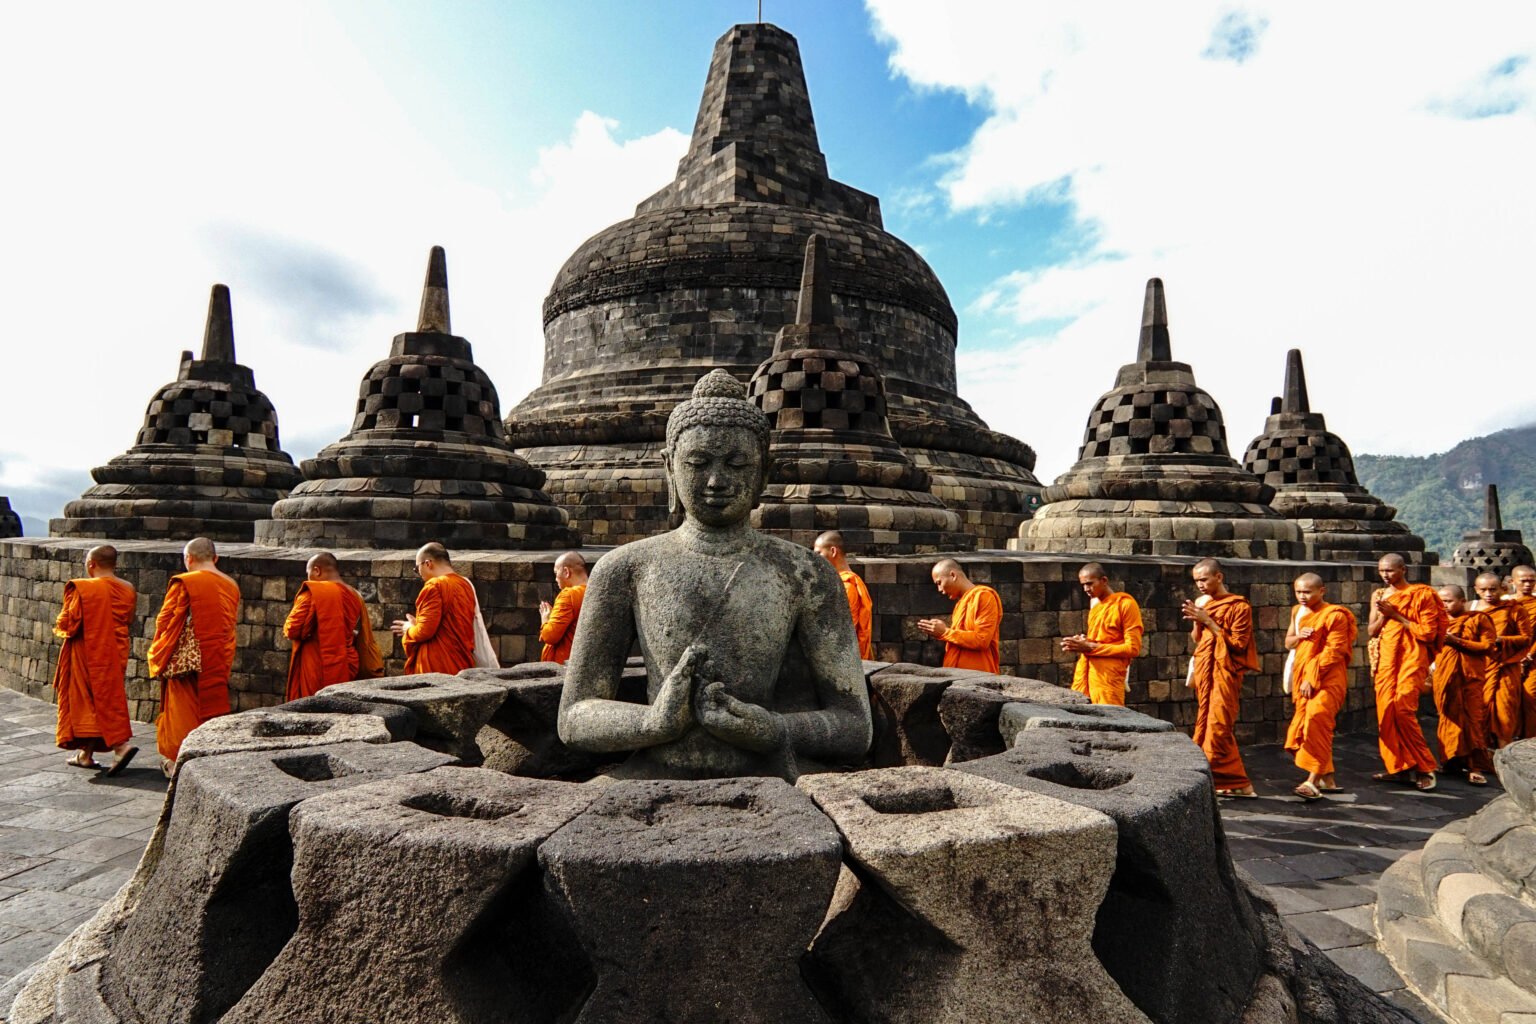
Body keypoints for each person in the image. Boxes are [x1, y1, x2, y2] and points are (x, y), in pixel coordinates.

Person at [557, 369, 871, 780]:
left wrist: (773, 729)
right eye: (698, 462)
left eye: (737, 464)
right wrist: (653, 724)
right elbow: (574, 717)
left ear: (763, 472)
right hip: (651, 778)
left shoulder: (805, 574)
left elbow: (855, 725)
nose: (717, 481)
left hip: (768, 784)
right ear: (669, 468)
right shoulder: (625, 570)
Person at [147, 537, 241, 775]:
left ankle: (179, 760)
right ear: (215, 558)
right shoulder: (231, 585)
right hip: (219, 654)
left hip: (187, 662)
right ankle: (207, 754)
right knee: (211, 705)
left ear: (188, 558)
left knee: (182, 710)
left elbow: (166, 620)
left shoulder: (185, 582)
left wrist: (159, 651)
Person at [51, 544, 138, 775]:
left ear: (91, 564)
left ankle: (120, 746)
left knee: (89, 701)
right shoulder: (128, 588)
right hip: (115, 650)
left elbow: (67, 623)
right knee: (105, 697)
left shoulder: (84, 588)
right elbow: (127, 618)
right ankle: (85, 755)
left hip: (88, 651)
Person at [1368, 552, 1448, 791]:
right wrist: (1384, 617)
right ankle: (1400, 767)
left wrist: (1397, 616)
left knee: (1403, 710)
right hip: (1386, 660)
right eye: (1382, 570)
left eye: (1390, 570)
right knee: (1386, 713)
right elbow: (1371, 631)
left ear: (1403, 570)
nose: (1385, 575)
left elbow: (1427, 633)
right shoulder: (1379, 595)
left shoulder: (1422, 595)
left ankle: (1425, 766)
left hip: (1412, 659)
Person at [1182, 558, 1259, 798]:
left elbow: (1238, 644)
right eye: (1197, 581)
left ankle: (1220, 781)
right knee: (1208, 724)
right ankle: (1238, 783)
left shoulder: (1239, 606)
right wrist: (1198, 620)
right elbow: (1198, 638)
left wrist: (1208, 620)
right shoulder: (1204, 603)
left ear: (1219, 577)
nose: (1201, 585)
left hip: (1225, 670)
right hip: (1206, 667)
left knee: (1218, 727)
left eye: (1204, 579)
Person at [1282, 573, 1357, 800]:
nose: (1302, 597)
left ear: (1321, 591)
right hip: (1304, 676)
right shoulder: (1298, 611)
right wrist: (1300, 637)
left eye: (1308, 592)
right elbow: (1288, 642)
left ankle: (1312, 781)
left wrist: (1312, 677)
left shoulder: (1335, 615)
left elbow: (1335, 651)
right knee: (1308, 727)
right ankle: (1329, 779)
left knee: (1317, 721)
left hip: (1328, 678)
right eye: (1298, 592)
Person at [283, 552, 382, 702]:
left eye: (308, 573)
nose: (308, 577)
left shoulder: (316, 592)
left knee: (312, 709)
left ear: (317, 570)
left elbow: (293, 629)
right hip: (346, 662)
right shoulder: (354, 594)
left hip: (317, 664)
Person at [391, 543, 488, 675]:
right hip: (461, 661)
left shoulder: (435, 586)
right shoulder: (465, 584)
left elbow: (424, 632)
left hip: (437, 665)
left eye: (417, 568)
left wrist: (408, 628)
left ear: (428, 564)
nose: (418, 573)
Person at [1432, 585, 1495, 786]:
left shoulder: (1478, 619)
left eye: (1448, 601)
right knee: (1448, 718)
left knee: (1472, 720)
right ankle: (1450, 761)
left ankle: (1474, 766)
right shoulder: (1437, 621)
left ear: (1463, 601)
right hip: (1444, 676)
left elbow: (1488, 646)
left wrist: (1456, 641)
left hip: (1470, 677)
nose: (1444, 605)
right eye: (1440, 601)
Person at [1060, 562, 1142, 705]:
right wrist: (1083, 641)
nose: (1086, 589)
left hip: (1108, 675)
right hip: (1087, 669)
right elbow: (1101, 637)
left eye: (1090, 584)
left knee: (1110, 721)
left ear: (1104, 581)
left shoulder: (1125, 605)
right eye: (1083, 585)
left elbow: (1132, 648)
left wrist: (1091, 647)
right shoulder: (1094, 604)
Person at [1473, 570, 1531, 750]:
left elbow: (1526, 638)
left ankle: (1504, 753)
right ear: (1476, 590)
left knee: (1505, 713)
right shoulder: (1471, 609)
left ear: (1502, 589)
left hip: (1505, 667)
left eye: (1493, 589)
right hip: (1479, 667)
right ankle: (1482, 756)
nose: (1489, 594)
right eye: (1484, 590)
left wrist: (1501, 640)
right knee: (1479, 712)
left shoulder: (1514, 609)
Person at [918, 559, 1002, 673]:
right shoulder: (961, 603)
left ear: (953, 575)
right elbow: (960, 638)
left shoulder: (984, 596)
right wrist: (943, 631)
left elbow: (982, 640)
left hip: (979, 675)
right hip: (956, 673)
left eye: (939, 583)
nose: (940, 590)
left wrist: (945, 632)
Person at [813, 531, 873, 660]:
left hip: (841, 659)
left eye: (818, 553)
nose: (815, 559)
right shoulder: (837, 582)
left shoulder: (847, 587)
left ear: (833, 551)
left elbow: (840, 630)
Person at [538, 551, 589, 664]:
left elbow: (550, 636)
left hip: (565, 664)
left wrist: (546, 619)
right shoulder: (597, 591)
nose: (556, 578)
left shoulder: (569, 595)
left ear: (566, 572)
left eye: (556, 573)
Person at [1513, 564, 1536, 741]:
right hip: (1508, 659)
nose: (1528, 584)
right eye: (1524, 581)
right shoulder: (1506, 605)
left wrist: (1529, 655)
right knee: (1508, 698)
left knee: (1530, 697)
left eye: (1532, 581)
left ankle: (1529, 738)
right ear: (1513, 582)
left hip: (1533, 658)